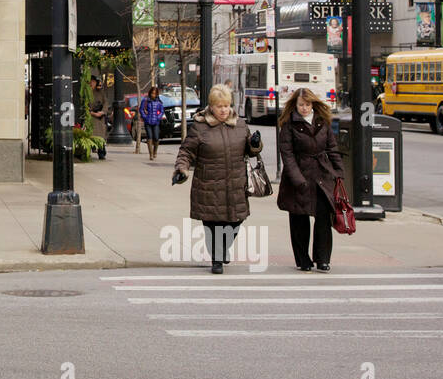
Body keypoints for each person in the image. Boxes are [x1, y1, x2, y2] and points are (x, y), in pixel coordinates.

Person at [173, 84, 263, 273]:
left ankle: (223, 250)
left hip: (235, 183)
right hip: (209, 184)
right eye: (219, 106)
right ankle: (217, 259)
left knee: (236, 220)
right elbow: (186, 152)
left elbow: (250, 150)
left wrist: (255, 144)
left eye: (227, 105)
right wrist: (182, 168)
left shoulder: (240, 124)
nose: (224, 110)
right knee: (213, 225)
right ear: (211, 107)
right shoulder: (200, 127)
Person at [277, 87, 343, 273]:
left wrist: (338, 172)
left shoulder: (322, 121)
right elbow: (287, 154)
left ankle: (322, 259)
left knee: (323, 218)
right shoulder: (289, 124)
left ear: (313, 104)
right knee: (299, 219)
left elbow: (332, 148)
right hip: (298, 177)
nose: (304, 108)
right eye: (300, 105)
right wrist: (297, 178)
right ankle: (303, 259)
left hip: (322, 176)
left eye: (307, 104)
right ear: (295, 105)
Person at [138, 86, 165, 161]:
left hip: (156, 122)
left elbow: (162, 111)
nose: (153, 95)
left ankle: (155, 151)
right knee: (149, 137)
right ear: (150, 93)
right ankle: (151, 155)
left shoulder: (159, 102)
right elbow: (141, 110)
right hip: (148, 122)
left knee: (156, 137)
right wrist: (145, 117)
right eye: (152, 93)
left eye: (155, 93)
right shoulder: (145, 100)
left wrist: (158, 117)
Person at [88, 76, 109, 160]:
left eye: (93, 81)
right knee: (90, 135)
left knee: (100, 135)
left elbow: (106, 103)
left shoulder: (100, 92)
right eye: (90, 81)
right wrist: (91, 113)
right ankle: (87, 151)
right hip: (90, 117)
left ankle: (101, 152)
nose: (91, 83)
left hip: (99, 118)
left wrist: (102, 112)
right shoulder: (86, 92)